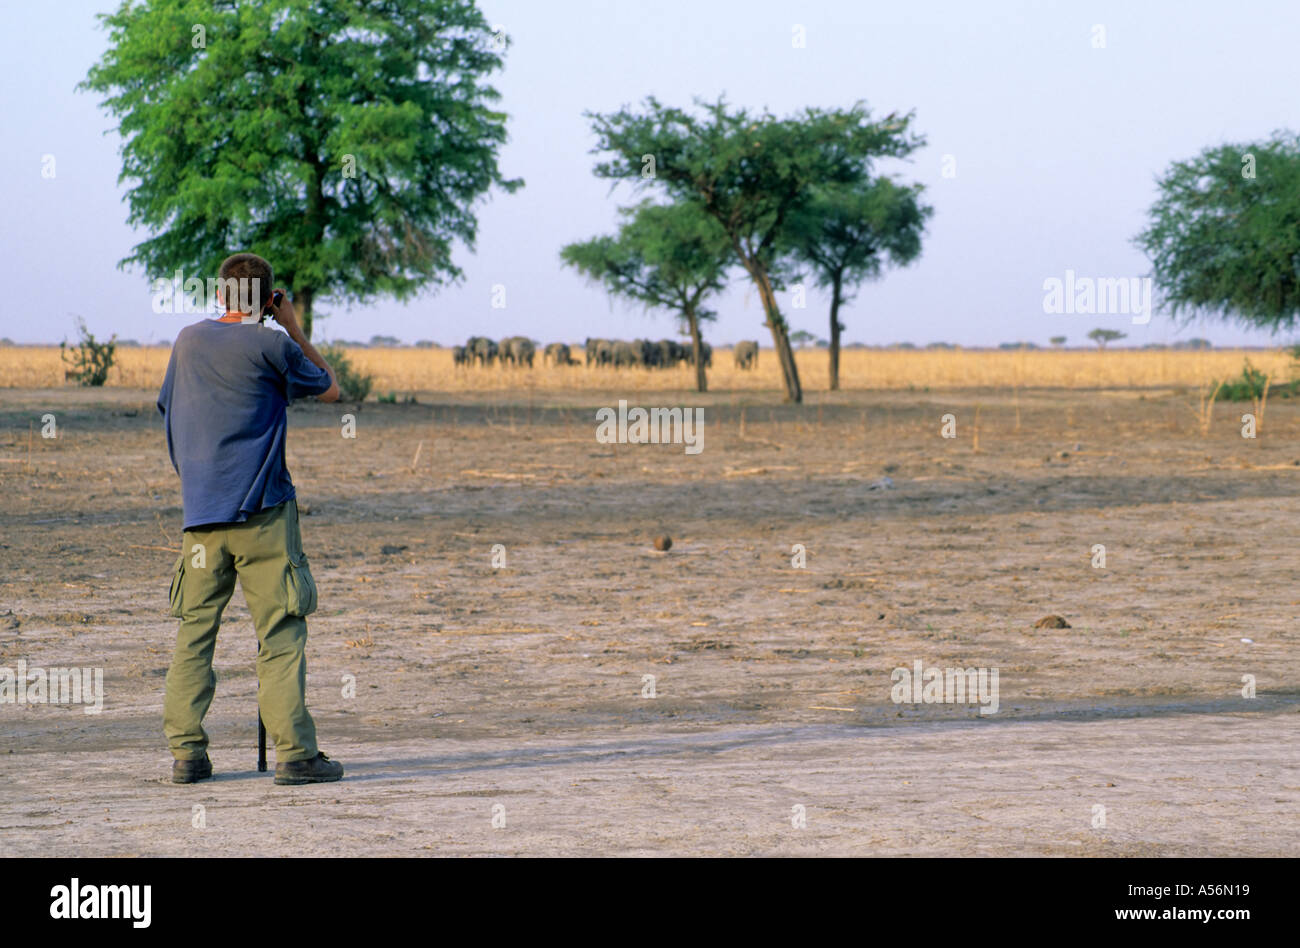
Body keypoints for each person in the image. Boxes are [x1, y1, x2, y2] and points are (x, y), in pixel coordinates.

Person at [157, 252, 344, 785]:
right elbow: (330, 389)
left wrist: (194, 480)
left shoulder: (187, 341)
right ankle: (296, 756)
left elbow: (169, 411)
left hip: (200, 516)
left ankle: (187, 755)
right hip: (263, 513)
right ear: (266, 300)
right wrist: (293, 326)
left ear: (219, 294)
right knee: (281, 632)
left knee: (194, 631)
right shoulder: (273, 343)